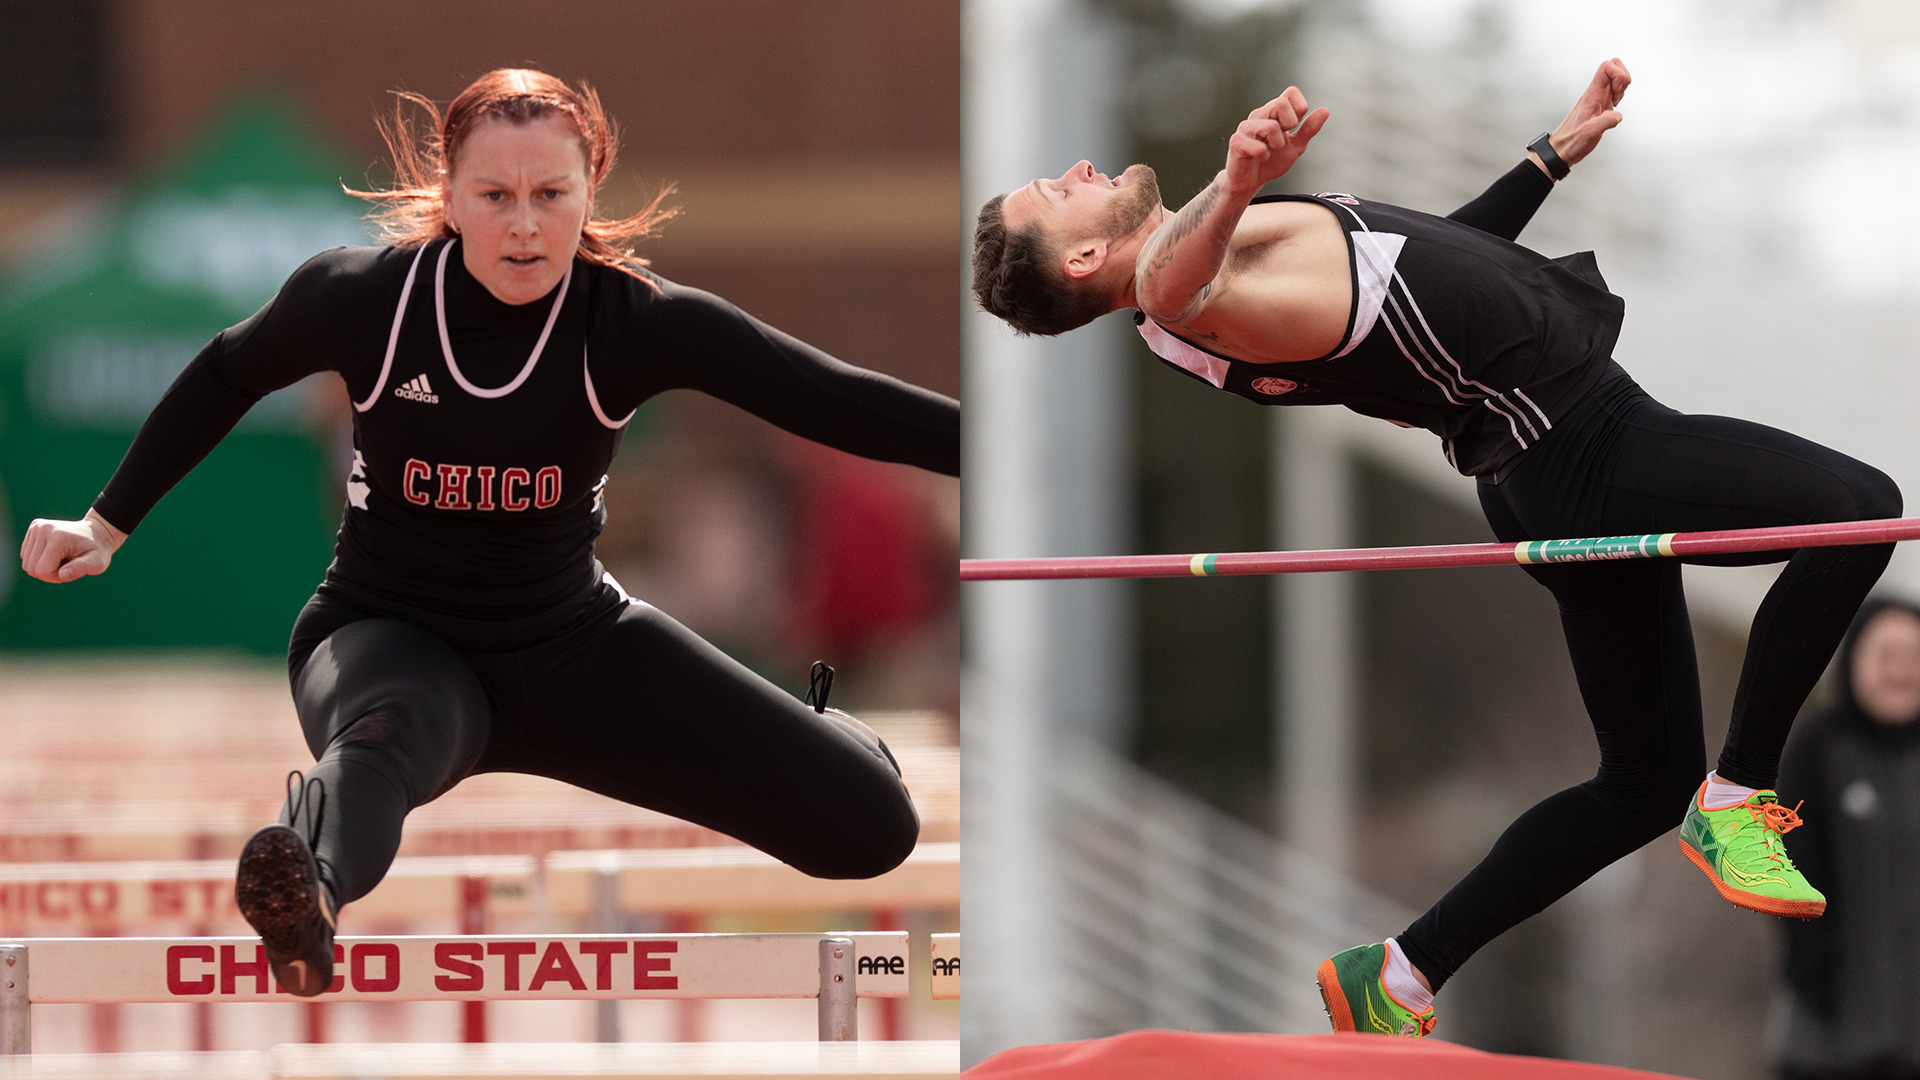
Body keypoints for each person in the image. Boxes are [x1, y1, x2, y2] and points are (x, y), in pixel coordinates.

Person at [971, 57, 1900, 1037]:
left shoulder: (1224, 263)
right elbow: (1165, 285)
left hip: (1556, 453)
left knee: (1642, 782)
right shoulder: (1184, 296)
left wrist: (1547, 160)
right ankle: (1741, 792)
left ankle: (1403, 973)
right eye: (1056, 192)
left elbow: (1441, 260)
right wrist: (1238, 171)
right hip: (1578, 446)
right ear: (1080, 262)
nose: (1076, 166)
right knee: (1858, 509)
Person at [18, 69, 959, 997]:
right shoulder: (362, 298)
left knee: (873, 830)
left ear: (589, 190)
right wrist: (106, 523)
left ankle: (846, 745)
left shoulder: (632, 320)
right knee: (381, 747)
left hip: (576, 648)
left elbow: (832, 399)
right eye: (495, 195)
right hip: (390, 639)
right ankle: (304, 894)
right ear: (451, 198)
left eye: (551, 195)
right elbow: (229, 370)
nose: (523, 224)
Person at [1775, 598, 1920, 1080]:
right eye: (1886, 654)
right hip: (1827, 1044)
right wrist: (1815, 976)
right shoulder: (1816, 747)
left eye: (1913, 656)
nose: (1900, 670)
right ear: (1854, 657)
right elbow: (1784, 873)